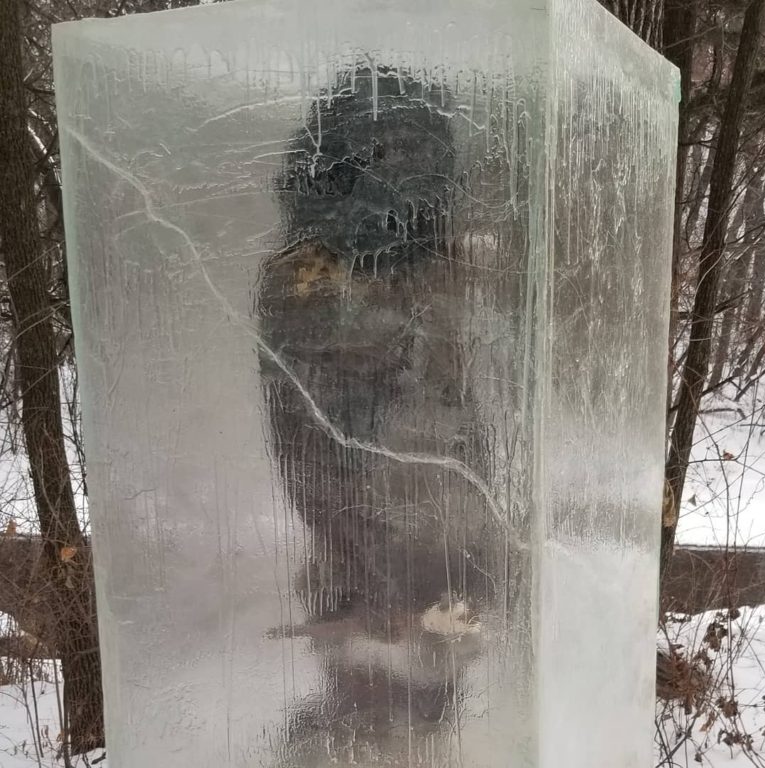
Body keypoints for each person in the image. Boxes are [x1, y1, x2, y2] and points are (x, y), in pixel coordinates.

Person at [256, 64, 517, 766]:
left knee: (418, 715)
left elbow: (476, 427)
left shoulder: (448, 268)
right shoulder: (308, 278)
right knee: (383, 713)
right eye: (381, 155)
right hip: (369, 573)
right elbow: (309, 443)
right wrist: (372, 583)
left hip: (435, 571)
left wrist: (481, 574)